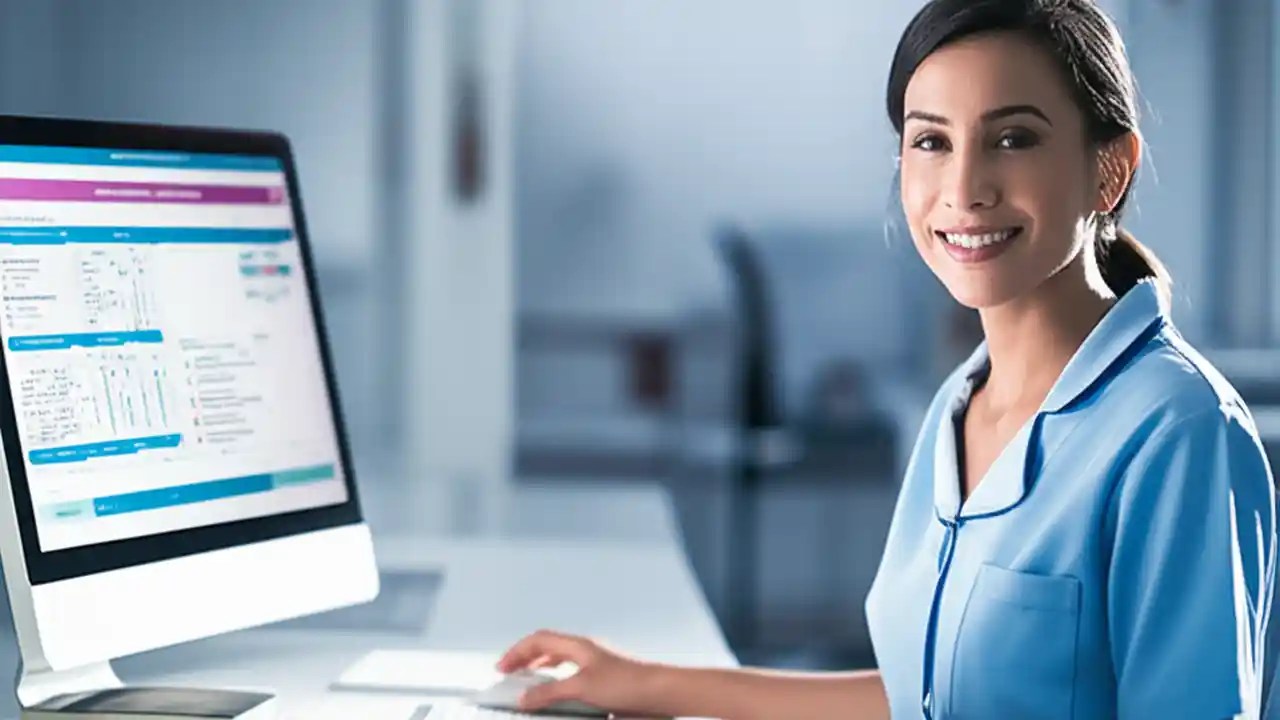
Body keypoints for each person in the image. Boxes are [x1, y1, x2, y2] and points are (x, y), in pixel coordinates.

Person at [495, 1, 1279, 717]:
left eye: (1013, 138)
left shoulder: (1179, 434)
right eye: (931, 141)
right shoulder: (960, 406)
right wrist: (645, 683)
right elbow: (934, 696)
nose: (963, 187)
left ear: (1109, 169)